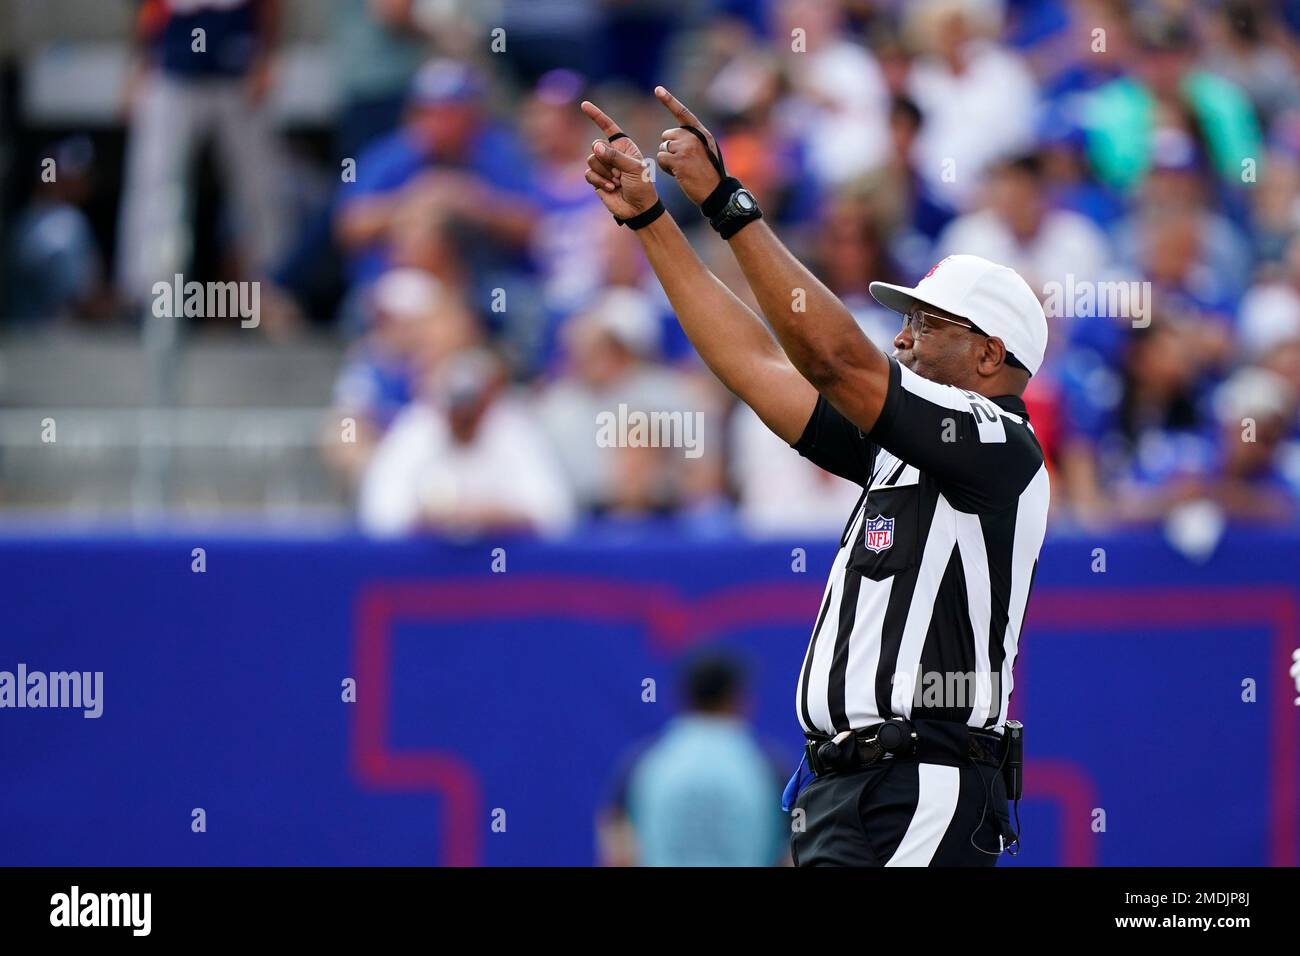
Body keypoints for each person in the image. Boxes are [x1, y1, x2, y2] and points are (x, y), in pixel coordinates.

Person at [578, 86, 1050, 866]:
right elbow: (758, 363)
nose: (901, 342)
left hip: (921, 783)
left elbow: (832, 358)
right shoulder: (911, 450)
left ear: (991, 355)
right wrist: (651, 220)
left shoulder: (998, 443)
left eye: (924, 324)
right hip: (844, 787)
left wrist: (728, 203)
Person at [598, 653, 787, 867]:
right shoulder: (769, 766)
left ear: (682, 697)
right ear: (738, 698)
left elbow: (618, 851)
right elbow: (793, 854)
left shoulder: (643, 763)